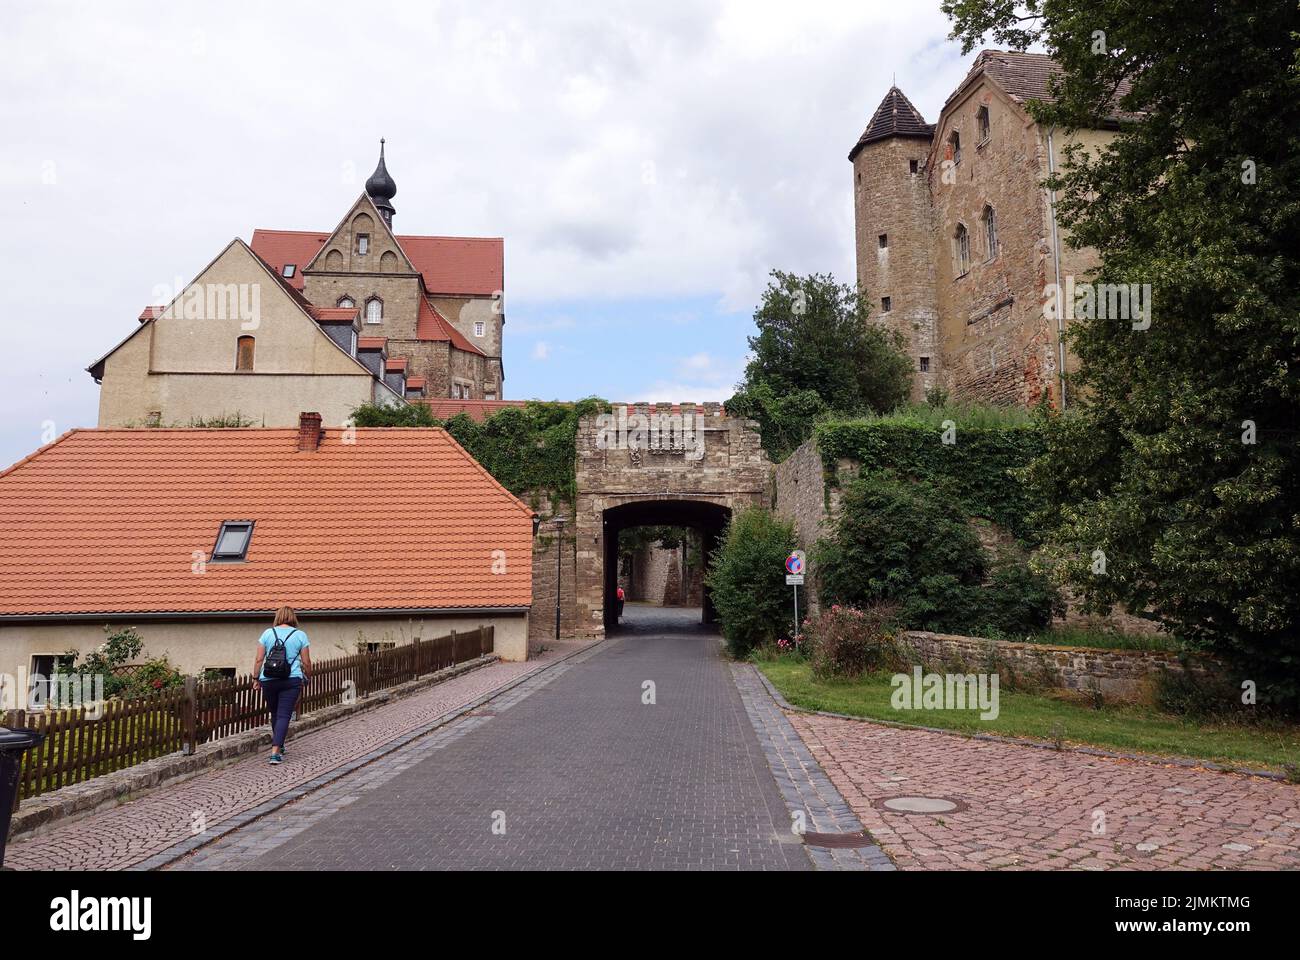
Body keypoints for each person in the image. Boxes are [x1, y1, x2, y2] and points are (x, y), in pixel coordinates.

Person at [252, 606, 311, 765]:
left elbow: (259, 659)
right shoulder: (300, 635)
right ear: (293, 617)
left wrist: (256, 678)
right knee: (284, 714)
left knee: (275, 713)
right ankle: (275, 752)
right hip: (291, 680)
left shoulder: (267, 633)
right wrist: (308, 676)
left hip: (269, 679)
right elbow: (306, 662)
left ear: (277, 617)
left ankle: (279, 745)